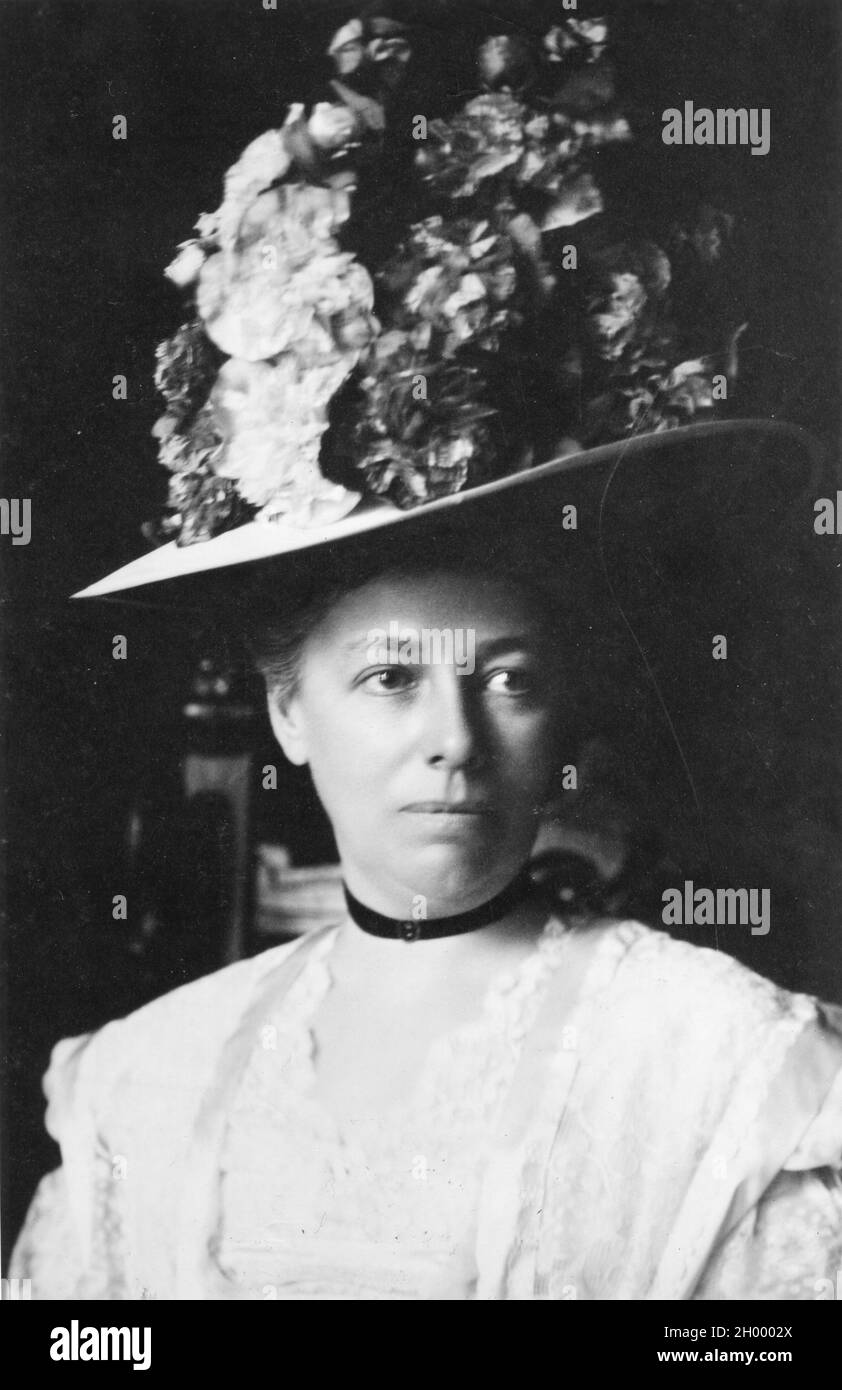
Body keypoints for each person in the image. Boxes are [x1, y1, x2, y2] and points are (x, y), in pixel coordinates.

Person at [10, 10, 842, 1300]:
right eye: (388, 679)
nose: (452, 737)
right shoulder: (144, 1083)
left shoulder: (718, 1067)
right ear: (288, 710)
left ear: (563, 712)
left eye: (505, 678)